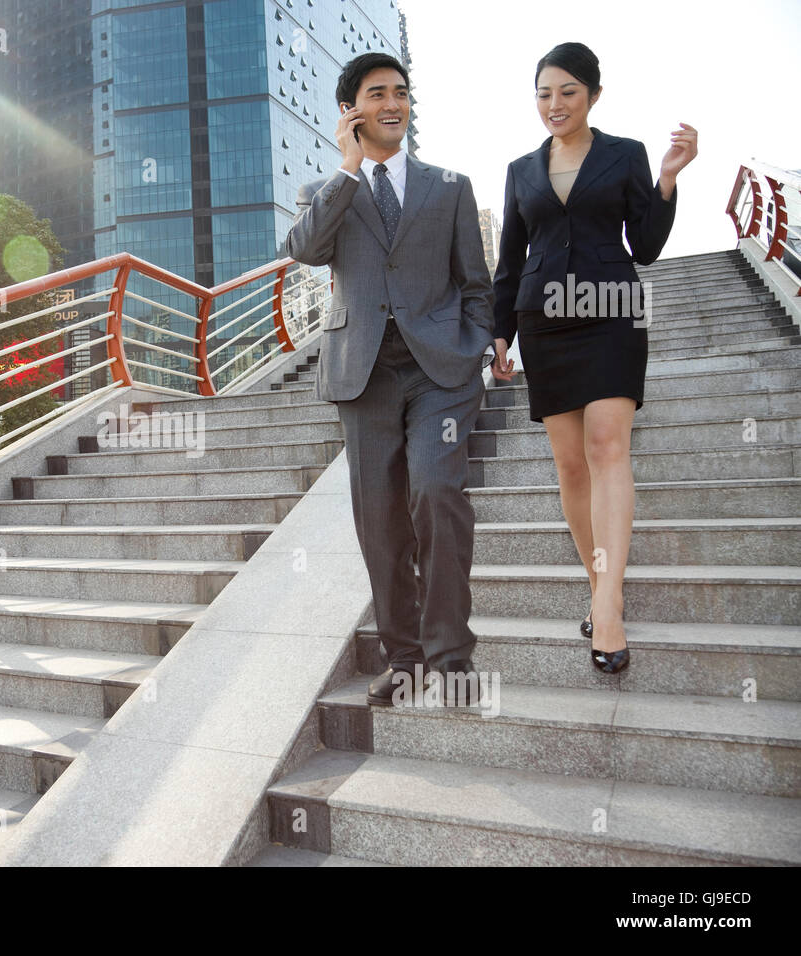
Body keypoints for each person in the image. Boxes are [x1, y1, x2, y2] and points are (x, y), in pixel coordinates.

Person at [284, 53, 494, 707]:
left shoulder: (450, 186)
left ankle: (451, 655)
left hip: (440, 371)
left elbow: (475, 282)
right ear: (351, 111)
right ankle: (403, 660)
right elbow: (305, 248)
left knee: (436, 492)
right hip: (363, 373)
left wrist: (479, 345)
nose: (394, 104)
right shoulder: (327, 190)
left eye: (401, 93)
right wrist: (347, 167)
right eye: (378, 95)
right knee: (379, 524)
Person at [490, 42, 697, 674]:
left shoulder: (625, 154)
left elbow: (648, 245)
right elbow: (510, 258)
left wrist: (666, 179)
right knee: (571, 467)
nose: (554, 105)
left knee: (609, 448)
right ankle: (599, 579)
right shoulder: (521, 168)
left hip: (610, 312)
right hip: (543, 322)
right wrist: (500, 335)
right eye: (544, 94)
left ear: (594, 96)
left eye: (568, 92)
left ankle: (607, 607)